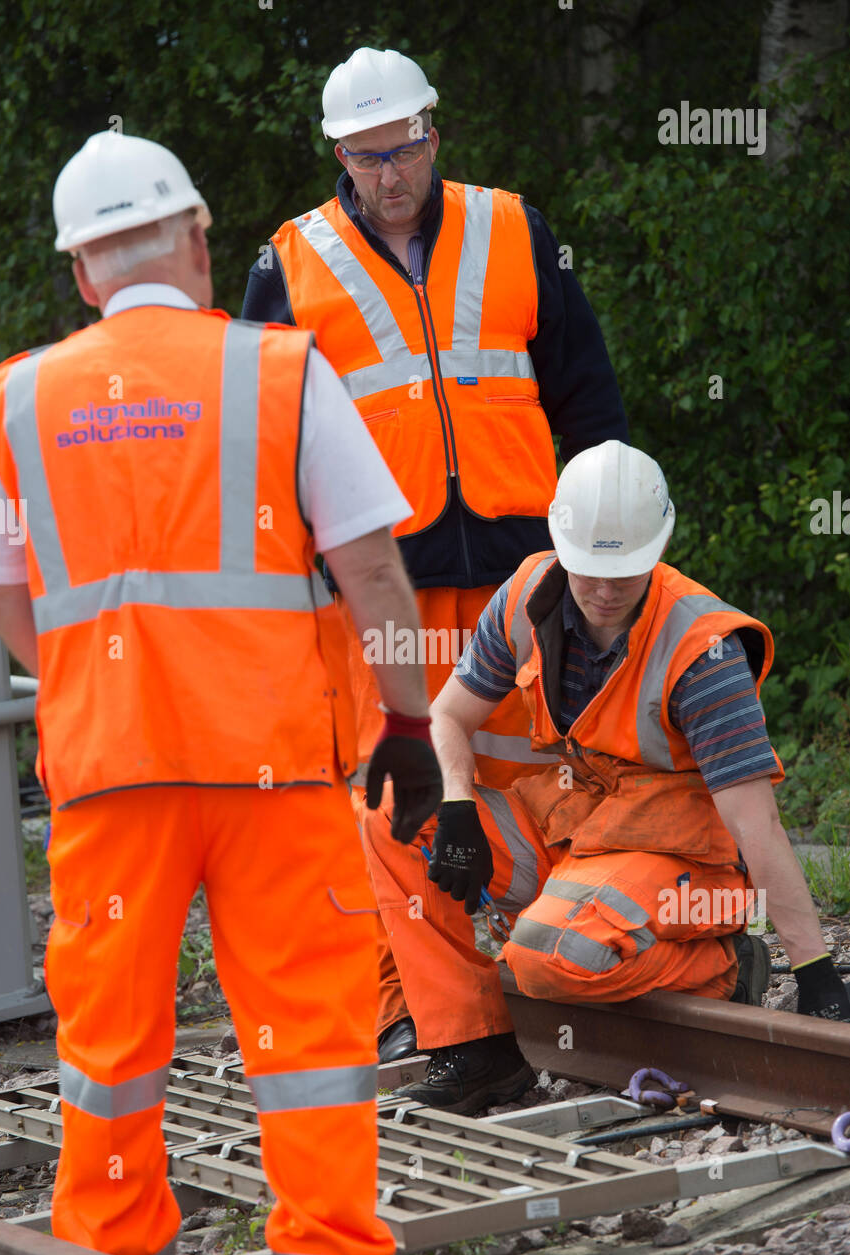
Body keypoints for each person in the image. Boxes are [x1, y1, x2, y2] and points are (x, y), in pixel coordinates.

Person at [0, 130, 442, 1255]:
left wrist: (87, 679)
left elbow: (4, 588)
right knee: (310, 1044)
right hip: (276, 771)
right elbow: (374, 571)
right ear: (197, 240)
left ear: (81, 272)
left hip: (109, 778)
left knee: (110, 1050)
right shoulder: (280, 372)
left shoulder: (17, 398)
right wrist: (406, 719)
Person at [243, 46, 629, 1060]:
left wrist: (606, 540)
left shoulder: (514, 231)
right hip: (383, 594)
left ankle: (586, 964)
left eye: (404, 146)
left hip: (524, 575)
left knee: (546, 779)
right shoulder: (289, 262)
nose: (390, 172)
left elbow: (585, 397)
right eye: (367, 155)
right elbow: (259, 446)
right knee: (399, 803)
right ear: (338, 153)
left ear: (433, 132)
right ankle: (448, 1027)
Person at [360, 441, 850, 1115]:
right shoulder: (525, 597)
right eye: (588, 569)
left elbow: (754, 822)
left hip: (677, 857)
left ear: (659, 550)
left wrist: (814, 970)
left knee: (542, 959)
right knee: (390, 809)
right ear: (560, 543)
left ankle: (725, 965)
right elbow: (445, 716)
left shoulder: (700, 649)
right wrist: (455, 807)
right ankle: (476, 1048)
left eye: (624, 573)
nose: (603, 590)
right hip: (574, 832)